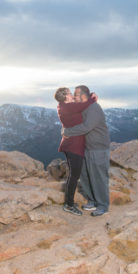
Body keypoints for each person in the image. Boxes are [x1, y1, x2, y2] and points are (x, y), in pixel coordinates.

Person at [61, 85, 111, 216]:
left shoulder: (94, 108)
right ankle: (92, 200)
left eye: (75, 95)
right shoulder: (84, 106)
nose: (73, 97)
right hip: (86, 147)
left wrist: (68, 132)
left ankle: (103, 205)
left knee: (99, 177)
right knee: (86, 176)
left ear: (83, 96)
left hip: (98, 148)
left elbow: (87, 127)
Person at [54, 87, 96, 216]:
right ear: (66, 97)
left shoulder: (64, 106)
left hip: (71, 145)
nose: (72, 95)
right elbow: (87, 104)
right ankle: (69, 205)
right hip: (73, 146)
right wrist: (93, 97)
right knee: (74, 176)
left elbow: (79, 107)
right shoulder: (68, 107)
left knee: (74, 175)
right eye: (70, 93)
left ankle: (69, 202)